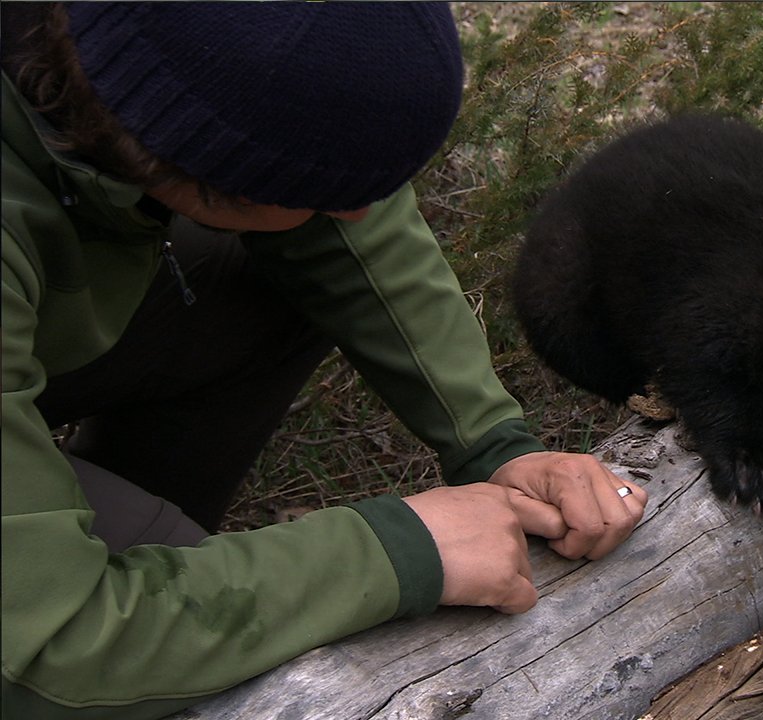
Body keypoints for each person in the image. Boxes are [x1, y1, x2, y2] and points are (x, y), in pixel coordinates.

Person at [0, 3, 648, 718]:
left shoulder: (140, 60)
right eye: (327, 197)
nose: (361, 217)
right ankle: (132, 593)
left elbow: (345, 223)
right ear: (175, 154)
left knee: (260, 285)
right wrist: (394, 552)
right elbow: (46, 652)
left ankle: (122, 546)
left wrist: (492, 443)